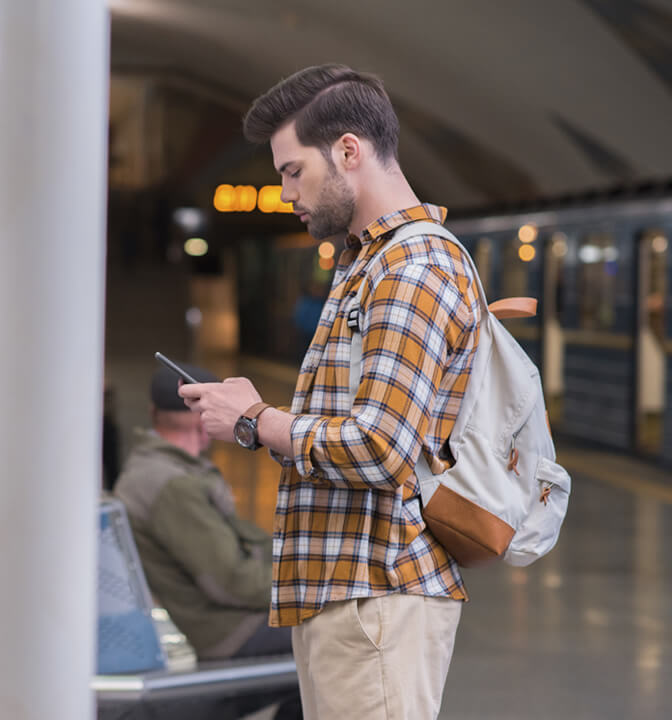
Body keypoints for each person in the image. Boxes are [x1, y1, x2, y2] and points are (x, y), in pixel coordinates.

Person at [178, 65, 478, 720]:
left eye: (292, 171)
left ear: (347, 150)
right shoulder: (363, 262)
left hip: (377, 599)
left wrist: (257, 419)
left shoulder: (410, 266)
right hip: (345, 596)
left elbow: (383, 447)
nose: (285, 191)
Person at [114, 364, 301, 720]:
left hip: (228, 626)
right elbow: (234, 581)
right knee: (334, 637)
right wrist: (304, 583)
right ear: (207, 415)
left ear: (154, 413)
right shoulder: (170, 483)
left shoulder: (158, 470)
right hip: (232, 634)